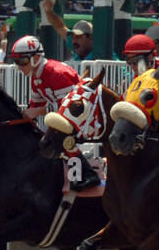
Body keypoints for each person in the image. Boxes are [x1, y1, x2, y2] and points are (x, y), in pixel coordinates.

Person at [8, 35, 97, 190]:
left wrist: (38, 111)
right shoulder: (35, 76)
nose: (19, 66)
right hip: (72, 117)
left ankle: (86, 175)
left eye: (22, 61)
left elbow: (71, 107)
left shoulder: (57, 72)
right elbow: (35, 104)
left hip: (86, 116)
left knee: (62, 137)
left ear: (36, 58)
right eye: (16, 62)